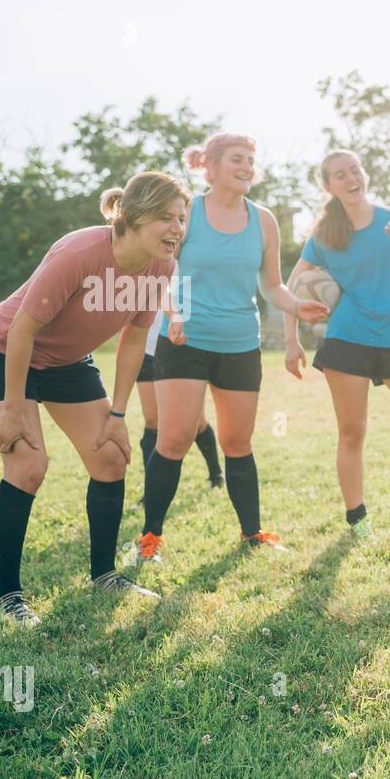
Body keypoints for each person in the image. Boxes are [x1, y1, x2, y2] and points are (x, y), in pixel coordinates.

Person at [0, 171, 188, 626]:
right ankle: (8, 595)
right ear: (134, 216)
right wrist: (12, 409)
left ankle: (104, 575)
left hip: (68, 363)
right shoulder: (80, 251)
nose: (177, 229)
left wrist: (117, 413)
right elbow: (22, 329)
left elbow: (134, 338)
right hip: (5, 351)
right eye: (166, 218)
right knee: (28, 466)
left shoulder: (162, 266)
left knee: (110, 457)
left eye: (182, 219)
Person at [138, 133, 328, 562]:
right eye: (237, 159)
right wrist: (174, 312)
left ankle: (252, 533)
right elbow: (159, 271)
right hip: (184, 340)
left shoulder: (263, 220)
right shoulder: (187, 213)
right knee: (174, 438)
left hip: (240, 343)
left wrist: (297, 306)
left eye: (250, 161)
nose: (246, 167)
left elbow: (272, 285)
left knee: (237, 441)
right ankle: (150, 538)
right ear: (211, 165)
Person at [285, 149, 390, 539]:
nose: (350, 178)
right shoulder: (324, 235)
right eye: (339, 175)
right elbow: (291, 286)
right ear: (328, 187)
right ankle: (357, 518)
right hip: (348, 341)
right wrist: (291, 342)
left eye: (355, 170)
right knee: (353, 432)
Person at [134, 306, 223, 497]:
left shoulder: (186, 275)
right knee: (152, 421)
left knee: (197, 423)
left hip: (182, 349)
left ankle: (216, 474)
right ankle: (151, 492)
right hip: (146, 349)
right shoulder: (143, 275)